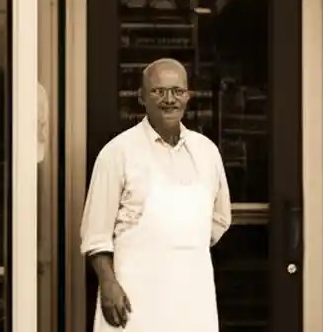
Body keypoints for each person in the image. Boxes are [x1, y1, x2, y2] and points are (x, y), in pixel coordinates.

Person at [81, 58, 231, 331]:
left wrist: (179, 243)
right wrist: (108, 283)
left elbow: (219, 219)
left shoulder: (207, 152)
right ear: (141, 97)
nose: (169, 99)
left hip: (193, 300)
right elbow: (95, 236)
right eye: (158, 91)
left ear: (188, 96)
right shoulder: (117, 153)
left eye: (177, 91)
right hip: (134, 300)